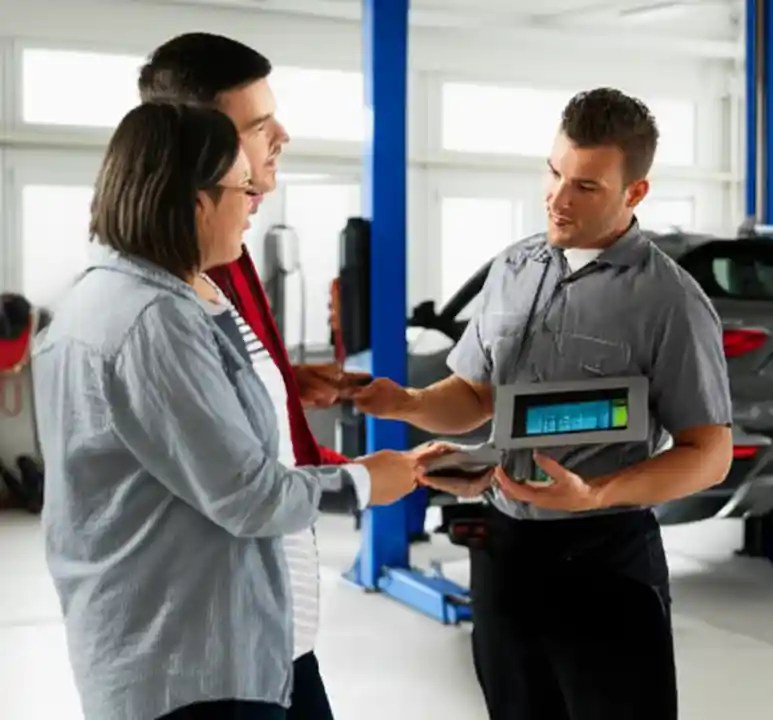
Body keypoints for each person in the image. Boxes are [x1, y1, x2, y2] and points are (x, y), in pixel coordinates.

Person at [31, 102, 421, 720]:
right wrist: (370, 480)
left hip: (190, 644)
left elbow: (186, 428)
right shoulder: (153, 319)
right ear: (194, 201)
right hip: (191, 667)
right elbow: (249, 494)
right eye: (242, 187)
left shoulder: (120, 297)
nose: (255, 199)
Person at [353, 87, 734, 720]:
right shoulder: (514, 267)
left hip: (604, 559)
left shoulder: (670, 301)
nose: (558, 198)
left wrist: (596, 493)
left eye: (585, 185)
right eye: (554, 172)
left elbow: (710, 453)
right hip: (504, 556)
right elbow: (476, 396)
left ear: (634, 192)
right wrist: (407, 401)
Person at [137, 33, 370, 719]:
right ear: (197, 146)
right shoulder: (172, 285)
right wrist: (367, 479)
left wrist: (281, 378)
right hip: (220, 628)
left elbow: (221, 396)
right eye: (258, 126)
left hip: (279, 605)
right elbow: (226, 474)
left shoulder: (228, 246)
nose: (283, 137)